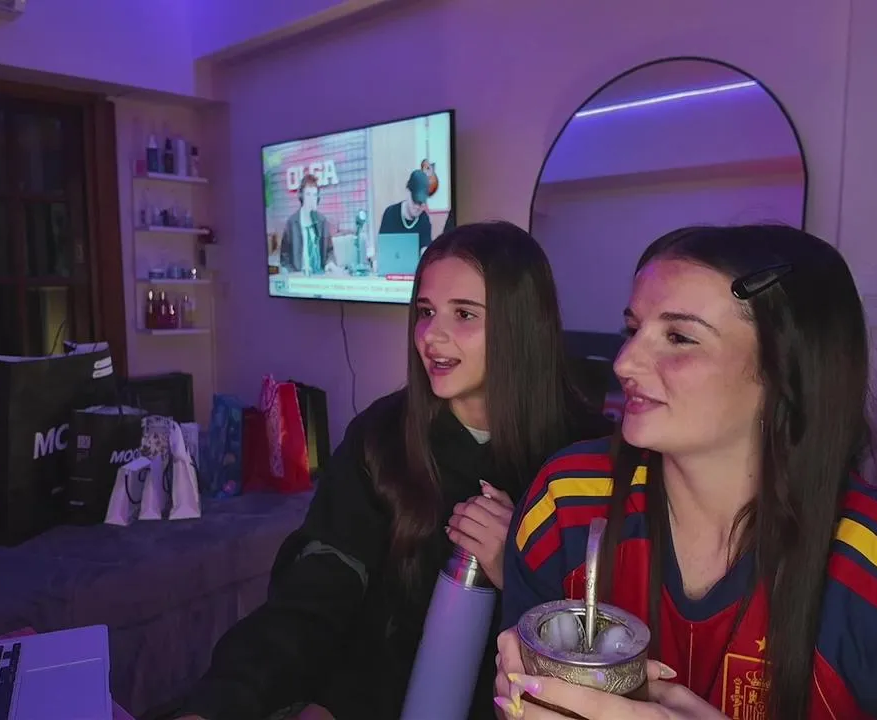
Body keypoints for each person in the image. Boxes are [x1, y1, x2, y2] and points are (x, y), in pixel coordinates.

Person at [494, 225, 877, 719]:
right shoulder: (569, 501)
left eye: (679, 337)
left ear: (783, 373)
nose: (624, 363)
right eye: (632, 330)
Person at [177, 221, 612, 720]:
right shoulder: (379, 438)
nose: (431, 336)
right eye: (425, 312)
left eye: (464, 314)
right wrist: (222, 704)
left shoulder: (588, 458)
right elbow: (312, 598)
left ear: (521, 324)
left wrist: (518, 570)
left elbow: (610, 644)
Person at [279, 173, 336, 274]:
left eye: (314, 195)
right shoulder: (291, 223)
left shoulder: (322, 221)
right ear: (301, 196)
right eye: (308, 194)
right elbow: (284, 258)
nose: (312, 199)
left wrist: (329, 263)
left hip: (320, 276)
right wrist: (293, 274)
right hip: (299, 277)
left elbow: (329, 251)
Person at [377, 169, 434, 251]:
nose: (418, 207)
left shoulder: (424, 220)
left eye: (421, 203)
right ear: (408, 192)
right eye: (415, 201)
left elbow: (425, 250)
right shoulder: (390, 214)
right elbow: (382, 247)